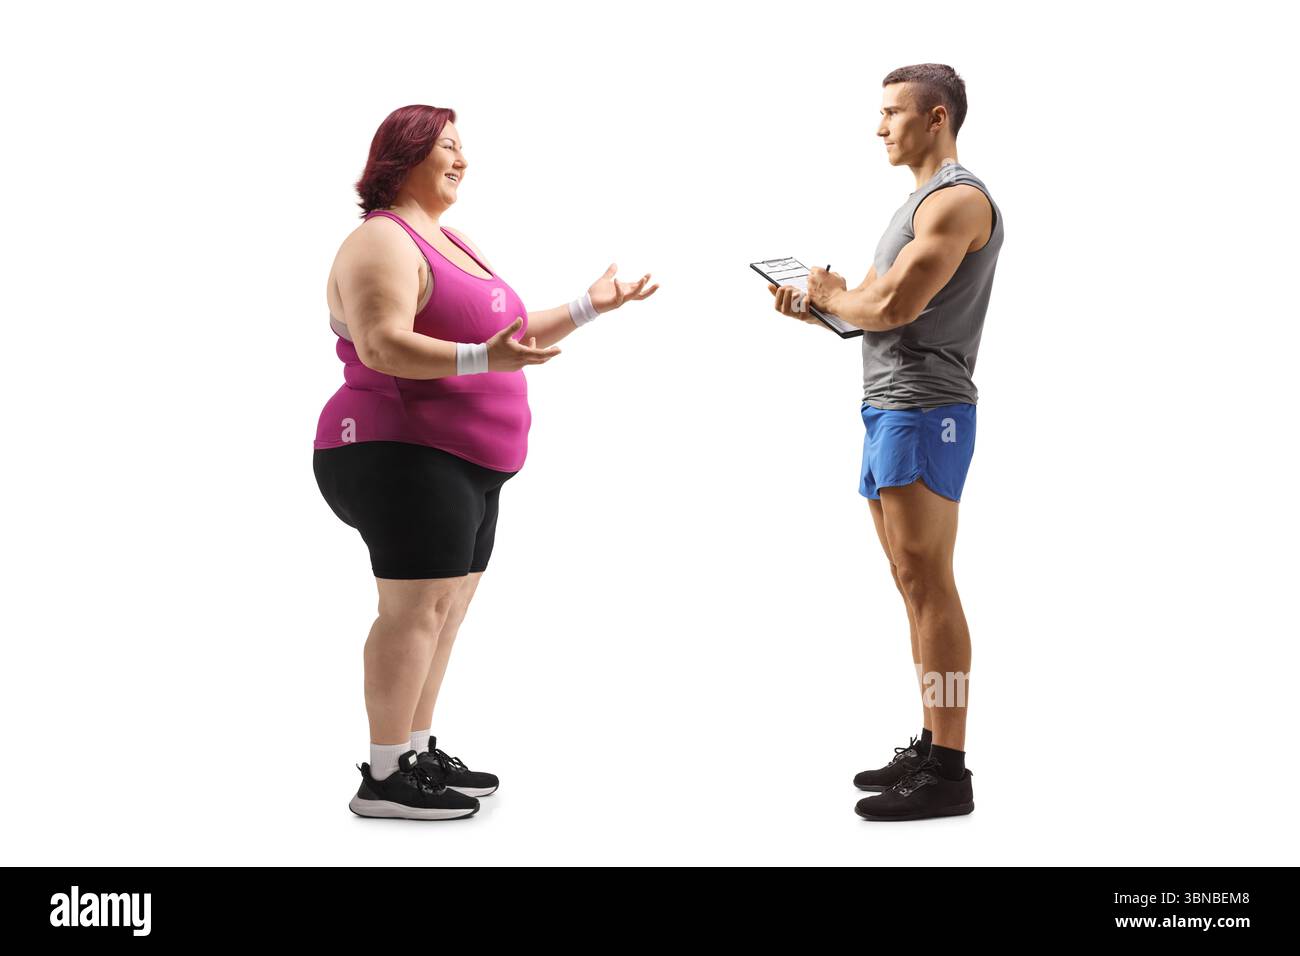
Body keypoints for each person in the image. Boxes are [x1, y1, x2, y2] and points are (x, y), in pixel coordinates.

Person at [313, 105, 658, 820]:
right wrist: (481, 359)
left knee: (446, 610)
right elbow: (382, 343)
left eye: (464, 147)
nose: (462, 159)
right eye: (447, 146)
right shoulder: (381, 240)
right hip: (399, 451)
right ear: (403, 156)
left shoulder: (452, 239)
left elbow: (506, 333)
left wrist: (588, 306)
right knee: (412, 611)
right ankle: (382, 779)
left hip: (467, 460)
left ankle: (413, 751)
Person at [769, 64, 1004, 821]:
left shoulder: (959, 201)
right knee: (911, 581)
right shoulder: (914, 206)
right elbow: (869, 307)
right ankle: (933, 743)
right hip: (888, 405)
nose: (880, 127)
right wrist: (819, 308)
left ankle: (950, 769)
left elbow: (894, 302)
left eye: (892, 112)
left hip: (927, 407)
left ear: (936, 118)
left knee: (930, 580)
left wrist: (840, 293)